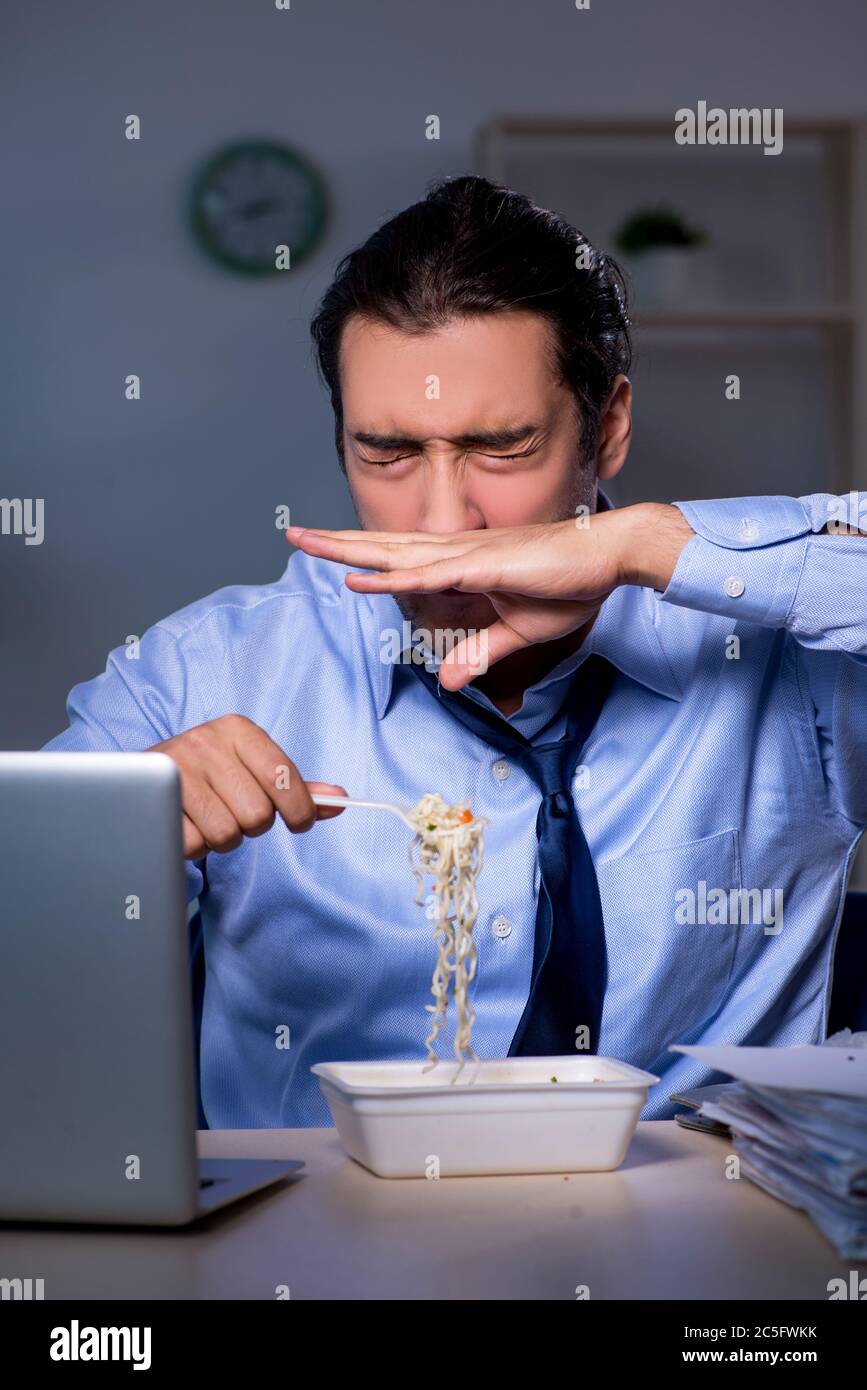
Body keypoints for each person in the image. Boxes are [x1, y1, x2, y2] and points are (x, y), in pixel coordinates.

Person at [44, 175, 867, 1127]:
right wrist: (107, 854)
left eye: (501, 448)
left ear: (605, 430)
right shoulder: (197, 674)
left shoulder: (786, 665)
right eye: (388, 454)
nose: (443, 525)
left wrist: (644, 545)